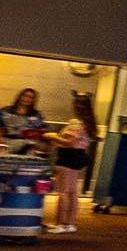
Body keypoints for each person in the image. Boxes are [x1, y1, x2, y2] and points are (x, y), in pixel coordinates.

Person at [45, 91, 98, 234]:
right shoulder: (89, 124)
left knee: (63, 192)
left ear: (75, 105)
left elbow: (69, 142)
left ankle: (60, 223)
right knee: (73, 193)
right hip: (78, 158)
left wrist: (53, 136)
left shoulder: (75, 123)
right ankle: (70, 223)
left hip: (67, 158)